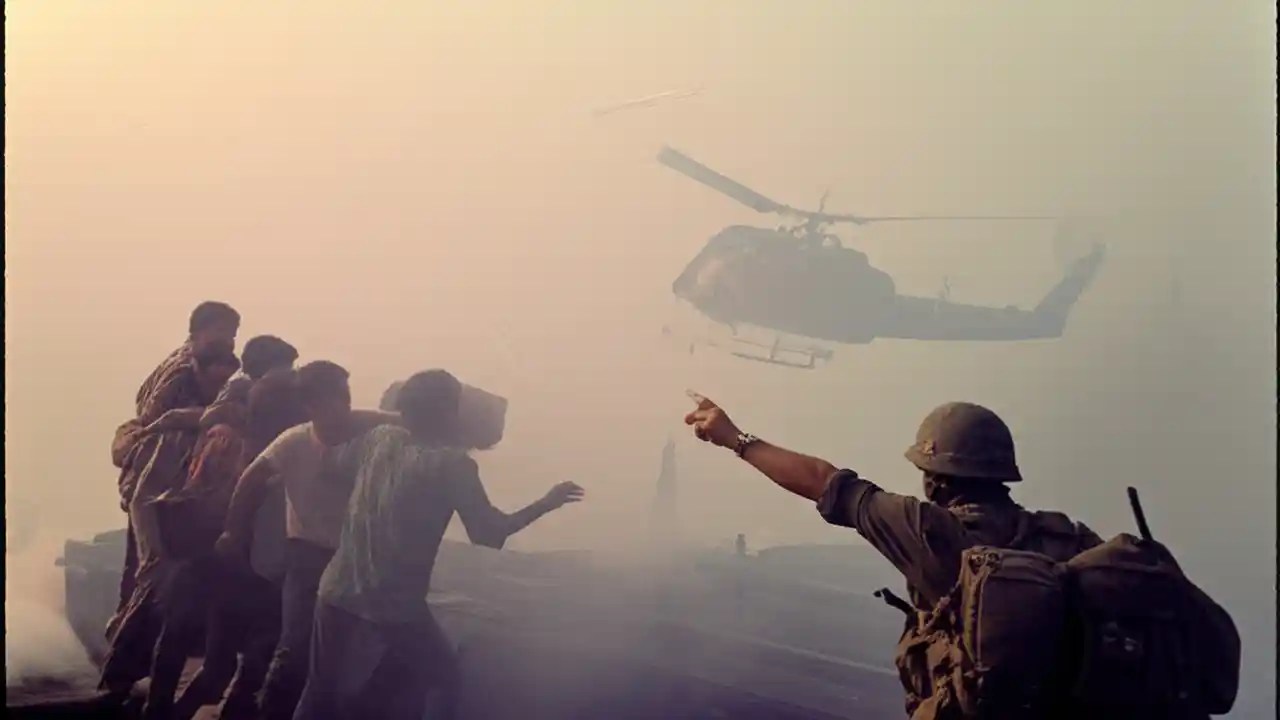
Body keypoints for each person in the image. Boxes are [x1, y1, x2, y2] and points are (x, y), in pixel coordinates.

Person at [683, 396, 1102, 716]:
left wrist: (734, 438)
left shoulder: (928, 531)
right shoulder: (1070, 538)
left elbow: (822, 482)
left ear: (935, 480)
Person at [293, 369, 584, 720]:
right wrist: (547, 503)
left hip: (338, 587)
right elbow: (489, 535)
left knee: (319, 689)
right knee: (443, 679)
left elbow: (332, 464)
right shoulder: (453, 465)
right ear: (449, 412)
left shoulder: (380, 438)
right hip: (395, 602)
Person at [216, 361, 394, 720]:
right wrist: (233, 531)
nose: (338, 410)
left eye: (343, 399)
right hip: (308, 556)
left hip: (359, 557)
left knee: (359, 650)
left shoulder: (375, 429)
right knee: (294, 647)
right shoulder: (294, 441)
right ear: (309, 407)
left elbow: (421, 425)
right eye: (327, 402)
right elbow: (250, 481)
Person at [100, 343, 242, 701]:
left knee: (183, 627)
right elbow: (142, 496)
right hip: (173, 539)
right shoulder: (172, 432)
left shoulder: (211, 426)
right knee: (158, 616)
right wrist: (155, 552)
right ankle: (129, 694)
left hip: (200, 540)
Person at [114, 301, 241, 623]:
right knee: (153, 577)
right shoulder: (182, 373)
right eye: (219, 337)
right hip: (162, 486)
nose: (226, 345)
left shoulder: (205, 362)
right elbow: (152, 422)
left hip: (172, 484)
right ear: (196, 335)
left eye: (231, 339)